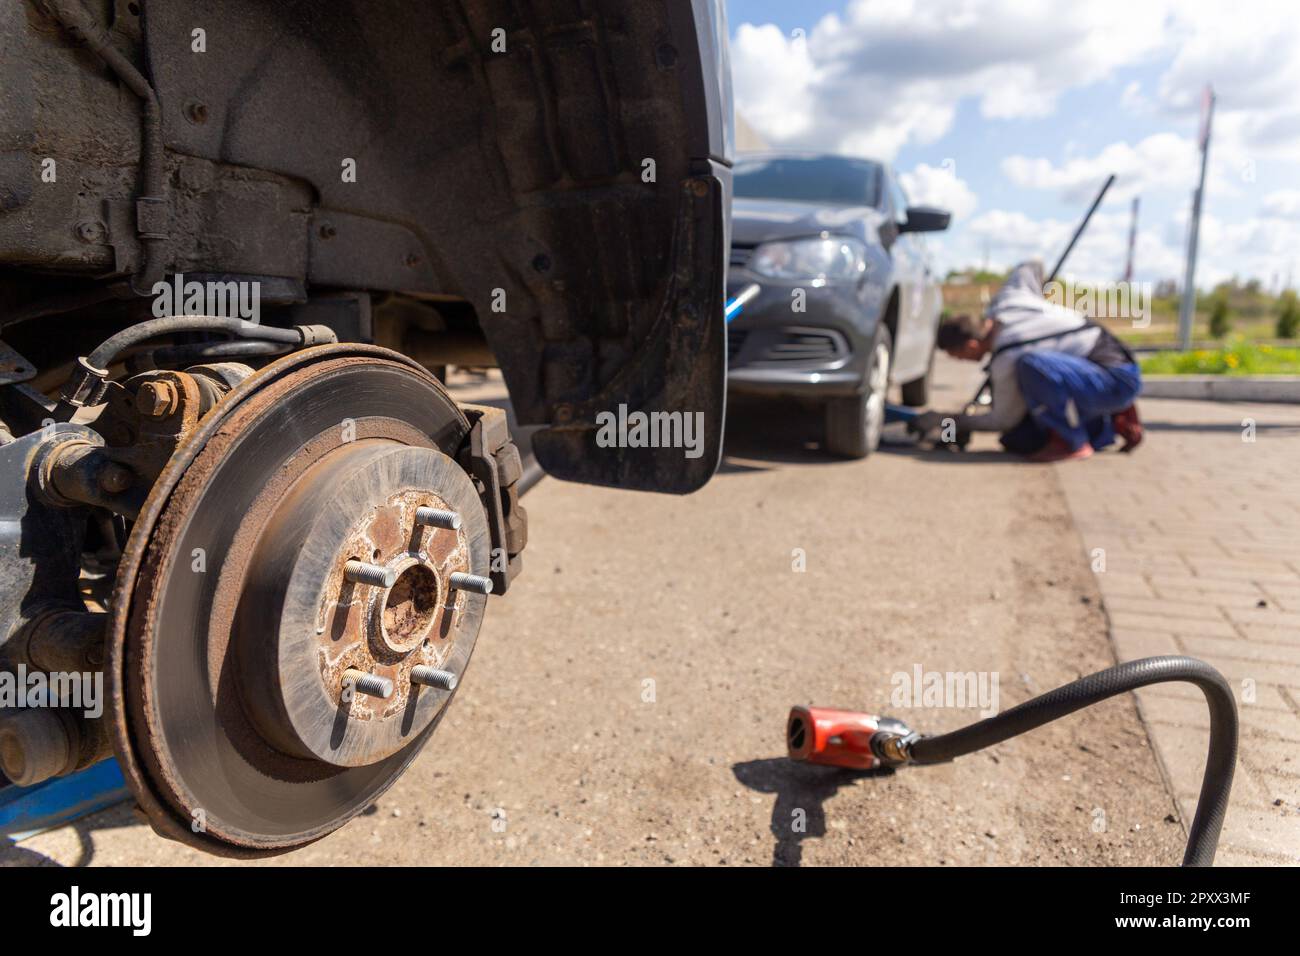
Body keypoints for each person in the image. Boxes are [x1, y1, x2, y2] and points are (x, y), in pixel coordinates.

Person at [912, 260, 1143, 462]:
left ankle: (1071, 442)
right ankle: (1112, 419)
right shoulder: (1008, 300)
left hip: (1115, 379)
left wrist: (950, 422)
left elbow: (1004, 418)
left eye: (960, 357)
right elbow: (1033, 264)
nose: (963, 362)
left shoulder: (1007, 355)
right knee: (1019, 437)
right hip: (1106, 365)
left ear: (971, 345)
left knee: (1033, 367)